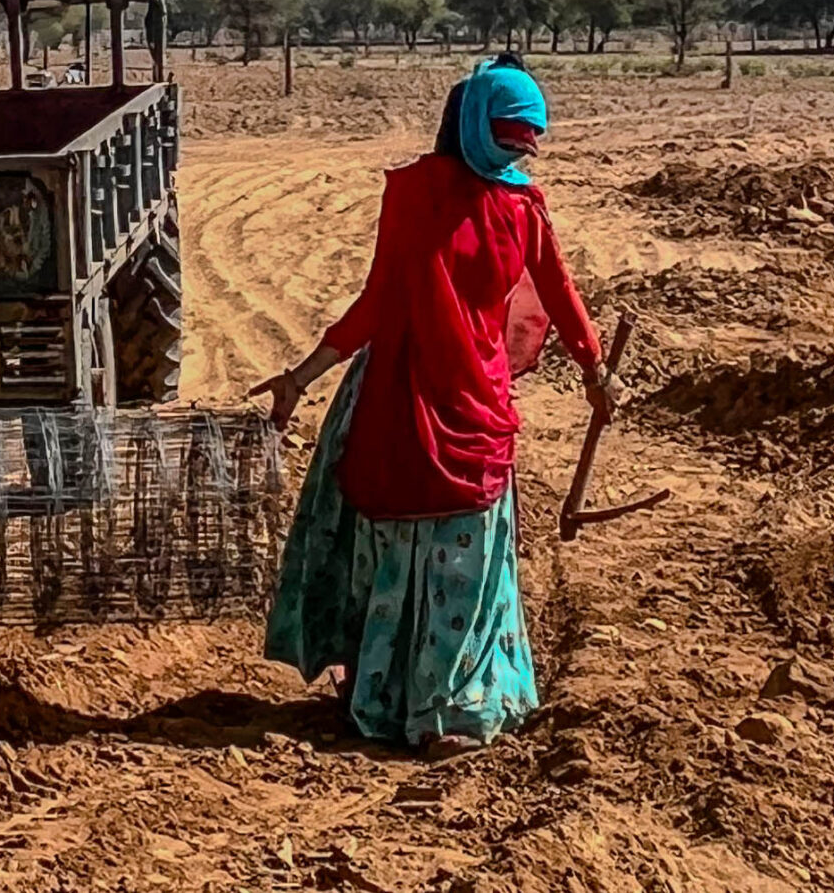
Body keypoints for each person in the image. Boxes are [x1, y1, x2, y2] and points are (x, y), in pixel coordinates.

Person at [250, 57, 606, 760]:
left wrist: (596, 369)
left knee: (417, 554)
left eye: (525, 144)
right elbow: (387, 298)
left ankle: (413, 700)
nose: (516, 154)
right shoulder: (463, 200)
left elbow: (551, 291)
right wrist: (300, 377)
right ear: (475, 126)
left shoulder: (479, 201)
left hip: (438, 403)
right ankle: (426, 702)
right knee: (437, 559)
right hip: (432, 402)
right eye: (508, 140)